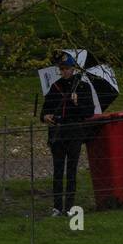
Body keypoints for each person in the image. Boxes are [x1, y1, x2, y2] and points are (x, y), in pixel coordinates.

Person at [41, 53, 95, 216]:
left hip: (74, 133)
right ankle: (57, 206)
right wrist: (46, 116)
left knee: (71, 170)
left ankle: (70, 206)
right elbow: (45, 110)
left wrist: (77, 102)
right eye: (61, 69)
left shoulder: (83, 87)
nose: (63, 71)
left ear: (73, 69)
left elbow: (89, 111)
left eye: (66, 69)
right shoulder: (55, 87)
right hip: (57, 133)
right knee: (58, 170)